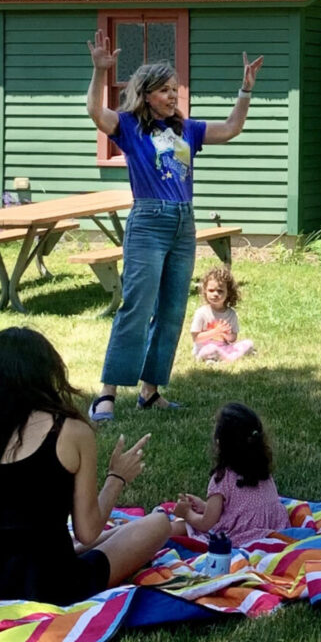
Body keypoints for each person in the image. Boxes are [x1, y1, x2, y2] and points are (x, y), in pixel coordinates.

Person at [85, 31, 263, 422]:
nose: (172, 96)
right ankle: (106, 394)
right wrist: (100, 72)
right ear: (146, 95)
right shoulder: (129, 127)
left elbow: (231, 127)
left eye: (174, 89)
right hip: (149, 221)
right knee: (137, 307)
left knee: (170, 312)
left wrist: (245, 91)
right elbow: (96, 113)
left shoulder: (187, 130)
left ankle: (150, 392)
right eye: (164, 90)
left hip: (183, 223)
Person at [0, 328, 169, 604]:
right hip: (54, 586)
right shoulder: (72, 431)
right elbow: (87, 531)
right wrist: (116, 477)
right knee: (158, 523)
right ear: (48, 372)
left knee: (40, 546)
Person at [171, 402, 288, 546]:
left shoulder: (222, 479)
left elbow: (206, 524)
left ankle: (153, 535)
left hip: (241, 537)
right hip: (274, 528)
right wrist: (204, 506)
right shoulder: (261, 469)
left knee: (185, 527)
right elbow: (239, 508)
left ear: (220, 443)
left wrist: (187, 514)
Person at [190, 266, 256, 364]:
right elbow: (196, 338)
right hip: (204, 349)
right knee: (211, 349)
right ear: (205, 291)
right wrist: (215, 331)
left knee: (248, 343)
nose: (215, 294)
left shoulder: (231, 314)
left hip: (224, 348)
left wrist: (226, 335)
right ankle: (215, 359)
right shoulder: (201, 313)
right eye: (211, 290)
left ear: (228, 293)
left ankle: (223, 357)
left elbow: (233, 338)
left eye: (220, 291)